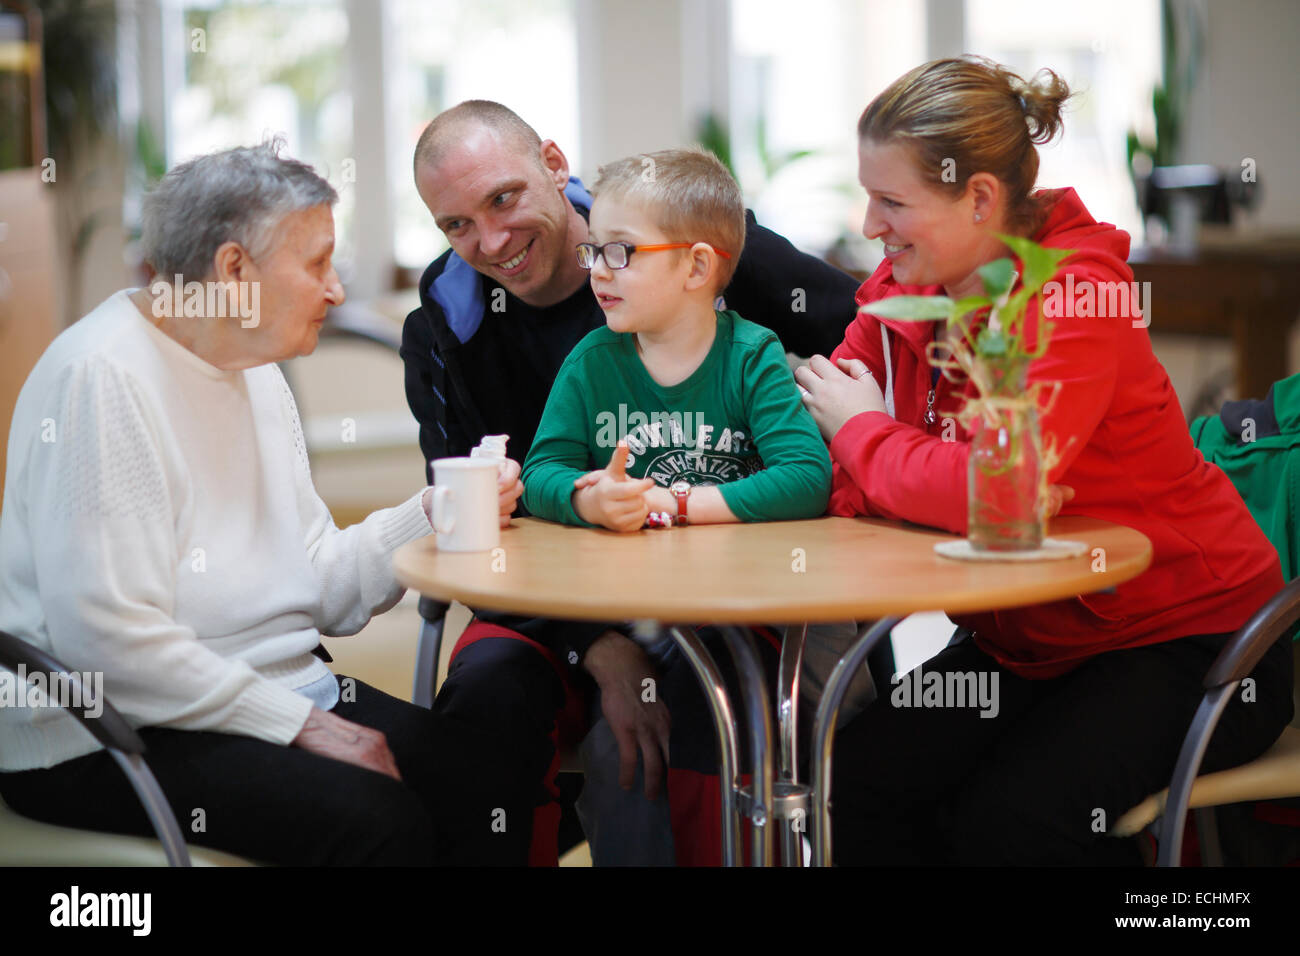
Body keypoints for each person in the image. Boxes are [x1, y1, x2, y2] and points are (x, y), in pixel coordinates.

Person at [795, 56, 1294, 865]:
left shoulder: (1075, 296)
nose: (869, 226)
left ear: (980, 197)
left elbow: (1000, 494)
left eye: (892, 201)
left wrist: (868, 435)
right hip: (1031, 640)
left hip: (1191, 642)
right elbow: (830, 448)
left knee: (1017, 824)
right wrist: (878, 452)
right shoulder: (906, 287)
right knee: (850, 785)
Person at [0, 142, 540, 866]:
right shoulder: (102, 379)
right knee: (380, 822)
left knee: (490, 786)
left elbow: (317, 584)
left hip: (272, 690)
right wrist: (303, 727)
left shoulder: (250, 364)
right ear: (233, 271)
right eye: (317, 263)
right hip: (101, 734)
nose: (337, 291)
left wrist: (436, 510)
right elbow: (111, 648)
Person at [403, 100, 859, 863]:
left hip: (720, 604)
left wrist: (866, 431)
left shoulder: (683, 237)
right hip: (546, 610)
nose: (490, 241)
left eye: (503, 198)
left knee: (700, 723)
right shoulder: (449, 331)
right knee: (485, 703)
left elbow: (863, 324)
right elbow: (469, 518)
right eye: (454, 224)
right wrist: (600, 648)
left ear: (555, 166)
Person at [521, 146, 831, 861]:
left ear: (696, 267)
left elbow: (804, 477)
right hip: (640, 618)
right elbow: (541, 470)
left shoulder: (752, 355)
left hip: (744, 617)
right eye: (594, 249)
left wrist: (674, 503)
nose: (596, 270)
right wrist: (585, 496)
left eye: (621, 252)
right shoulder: (592, 362)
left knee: (704, 724)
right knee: (620, 756)